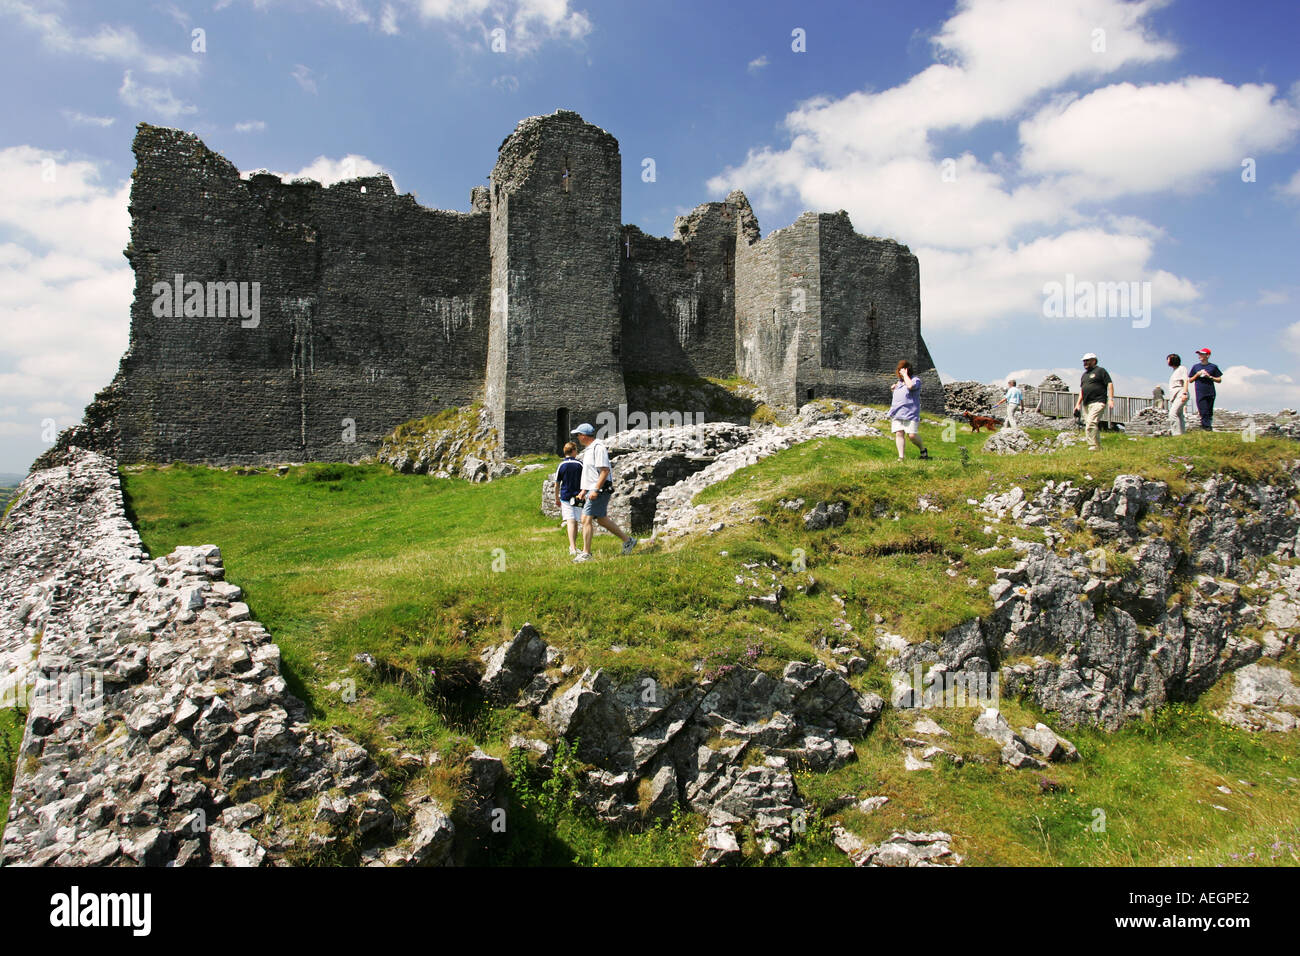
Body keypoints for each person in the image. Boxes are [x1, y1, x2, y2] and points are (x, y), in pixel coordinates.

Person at [570, 423, 637, 562]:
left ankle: (586, 554)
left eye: (578, 435)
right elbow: (591, 473)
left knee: (585, 519)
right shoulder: (590, 449)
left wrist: (594, 490)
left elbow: (604, 471)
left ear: (583, 435)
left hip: (599, 489)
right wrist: (584, 490)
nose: (577, 438)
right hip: (593, 489)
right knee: (601, 519)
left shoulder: (598, 448)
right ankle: (628, 541)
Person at [888, 359, 929, 460]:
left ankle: (923, 450)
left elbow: (910, 386)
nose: (900, 372)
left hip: (911, 413)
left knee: (912, 436)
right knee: (899, 433)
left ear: (907, 370)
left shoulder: (915, 380)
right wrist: (893, 389)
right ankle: (901, 457)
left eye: (902, 370)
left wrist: (905, 375)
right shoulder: (899, 383)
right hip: (898, 413)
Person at [1073, 352, 1114, 451]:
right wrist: (1077, 404)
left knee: (1091, 422)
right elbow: (1082, 390)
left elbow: (1109, 384)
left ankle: (1092, 446)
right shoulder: (1084, 375)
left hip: (1098, 401)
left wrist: (1111, 399)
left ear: (1094, 361)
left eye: (1087, 361)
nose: (1085, 363)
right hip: (1086, 404)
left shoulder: (1100, 371)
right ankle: (1098, 447)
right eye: (1084, 361)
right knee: (1090, 424)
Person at [553, 441, 583, 556]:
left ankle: (573, 547)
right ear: (573, 451)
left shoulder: (561, 465)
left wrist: (556, 498)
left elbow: (557, 484)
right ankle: (574, 546)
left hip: (565, 496)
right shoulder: (580, 464)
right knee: (575, 522)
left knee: (570, 521)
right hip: (578, 496)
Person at [1188, 347, 1222, 431]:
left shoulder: (1213, 367)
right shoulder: (1195, 367)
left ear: (1207, 355)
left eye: (1202, 354)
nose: (1199, 355)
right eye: (1199, 354)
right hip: (1200, 391)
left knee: (1209, 411)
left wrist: (1209, 376)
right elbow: (1190, 380)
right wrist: (1197, 374)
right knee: (1203, 410)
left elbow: (1219, 380)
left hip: (1210, 391)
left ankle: (1207, 426)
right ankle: (1206, 427)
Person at [1165, 353, 1189, 436]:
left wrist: (1184, 393)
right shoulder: (1175, 371)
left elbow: (1186, 380)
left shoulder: (1182, 368)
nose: (1167, 361)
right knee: (1179, 414)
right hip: (1175, 395)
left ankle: (1176, 434)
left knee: (1172, 414)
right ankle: (1181, 434)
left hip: (1181, 393)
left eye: (1168, 359)